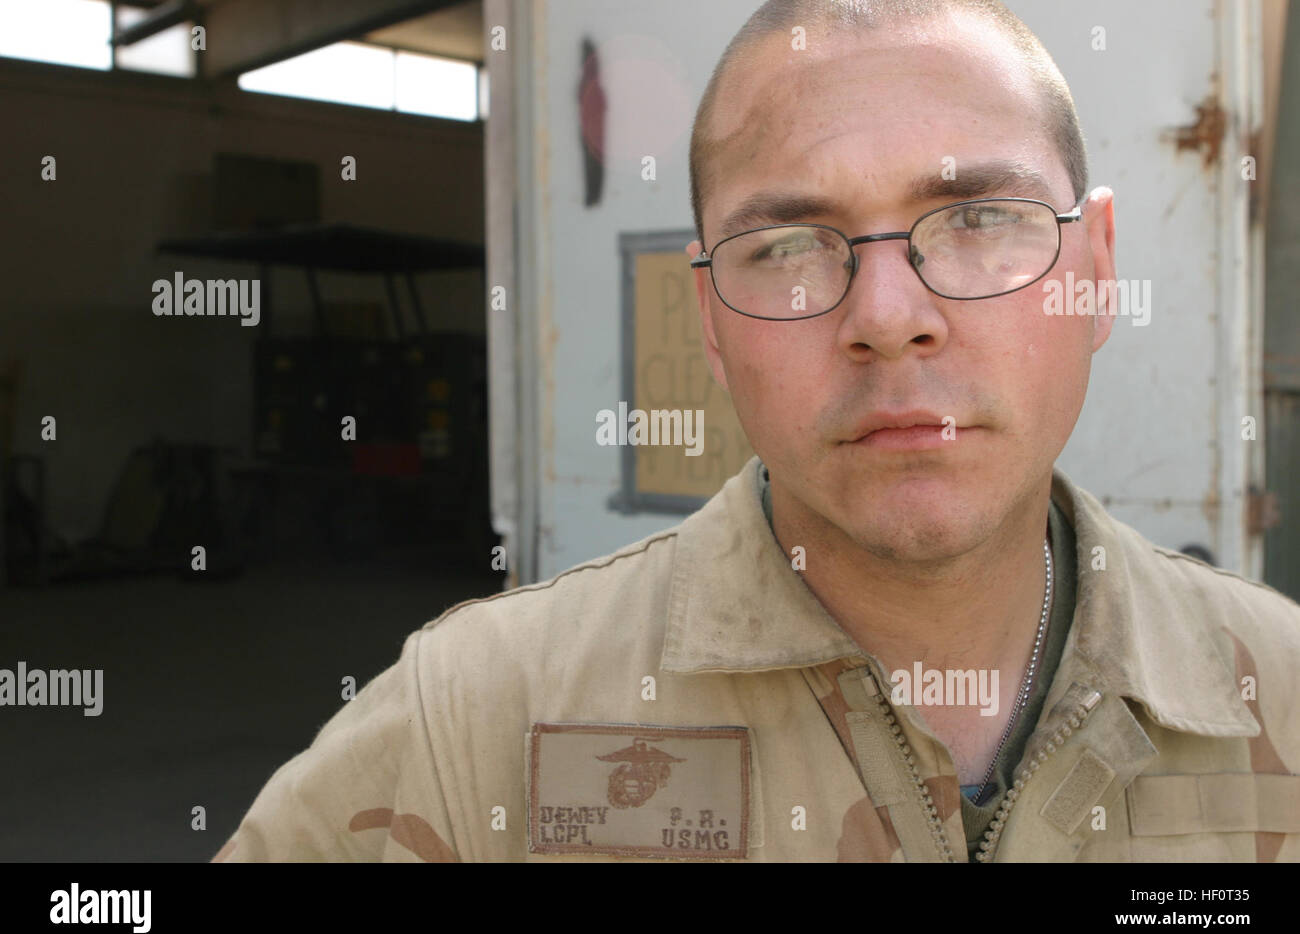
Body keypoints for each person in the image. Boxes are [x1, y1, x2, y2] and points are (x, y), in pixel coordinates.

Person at [214, 0, 1300, 863]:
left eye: (976, 219)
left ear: (1095, 270)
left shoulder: (1280, 693)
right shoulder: (486, 717)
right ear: (712, 322)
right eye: (788, 243)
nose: (886, 317)